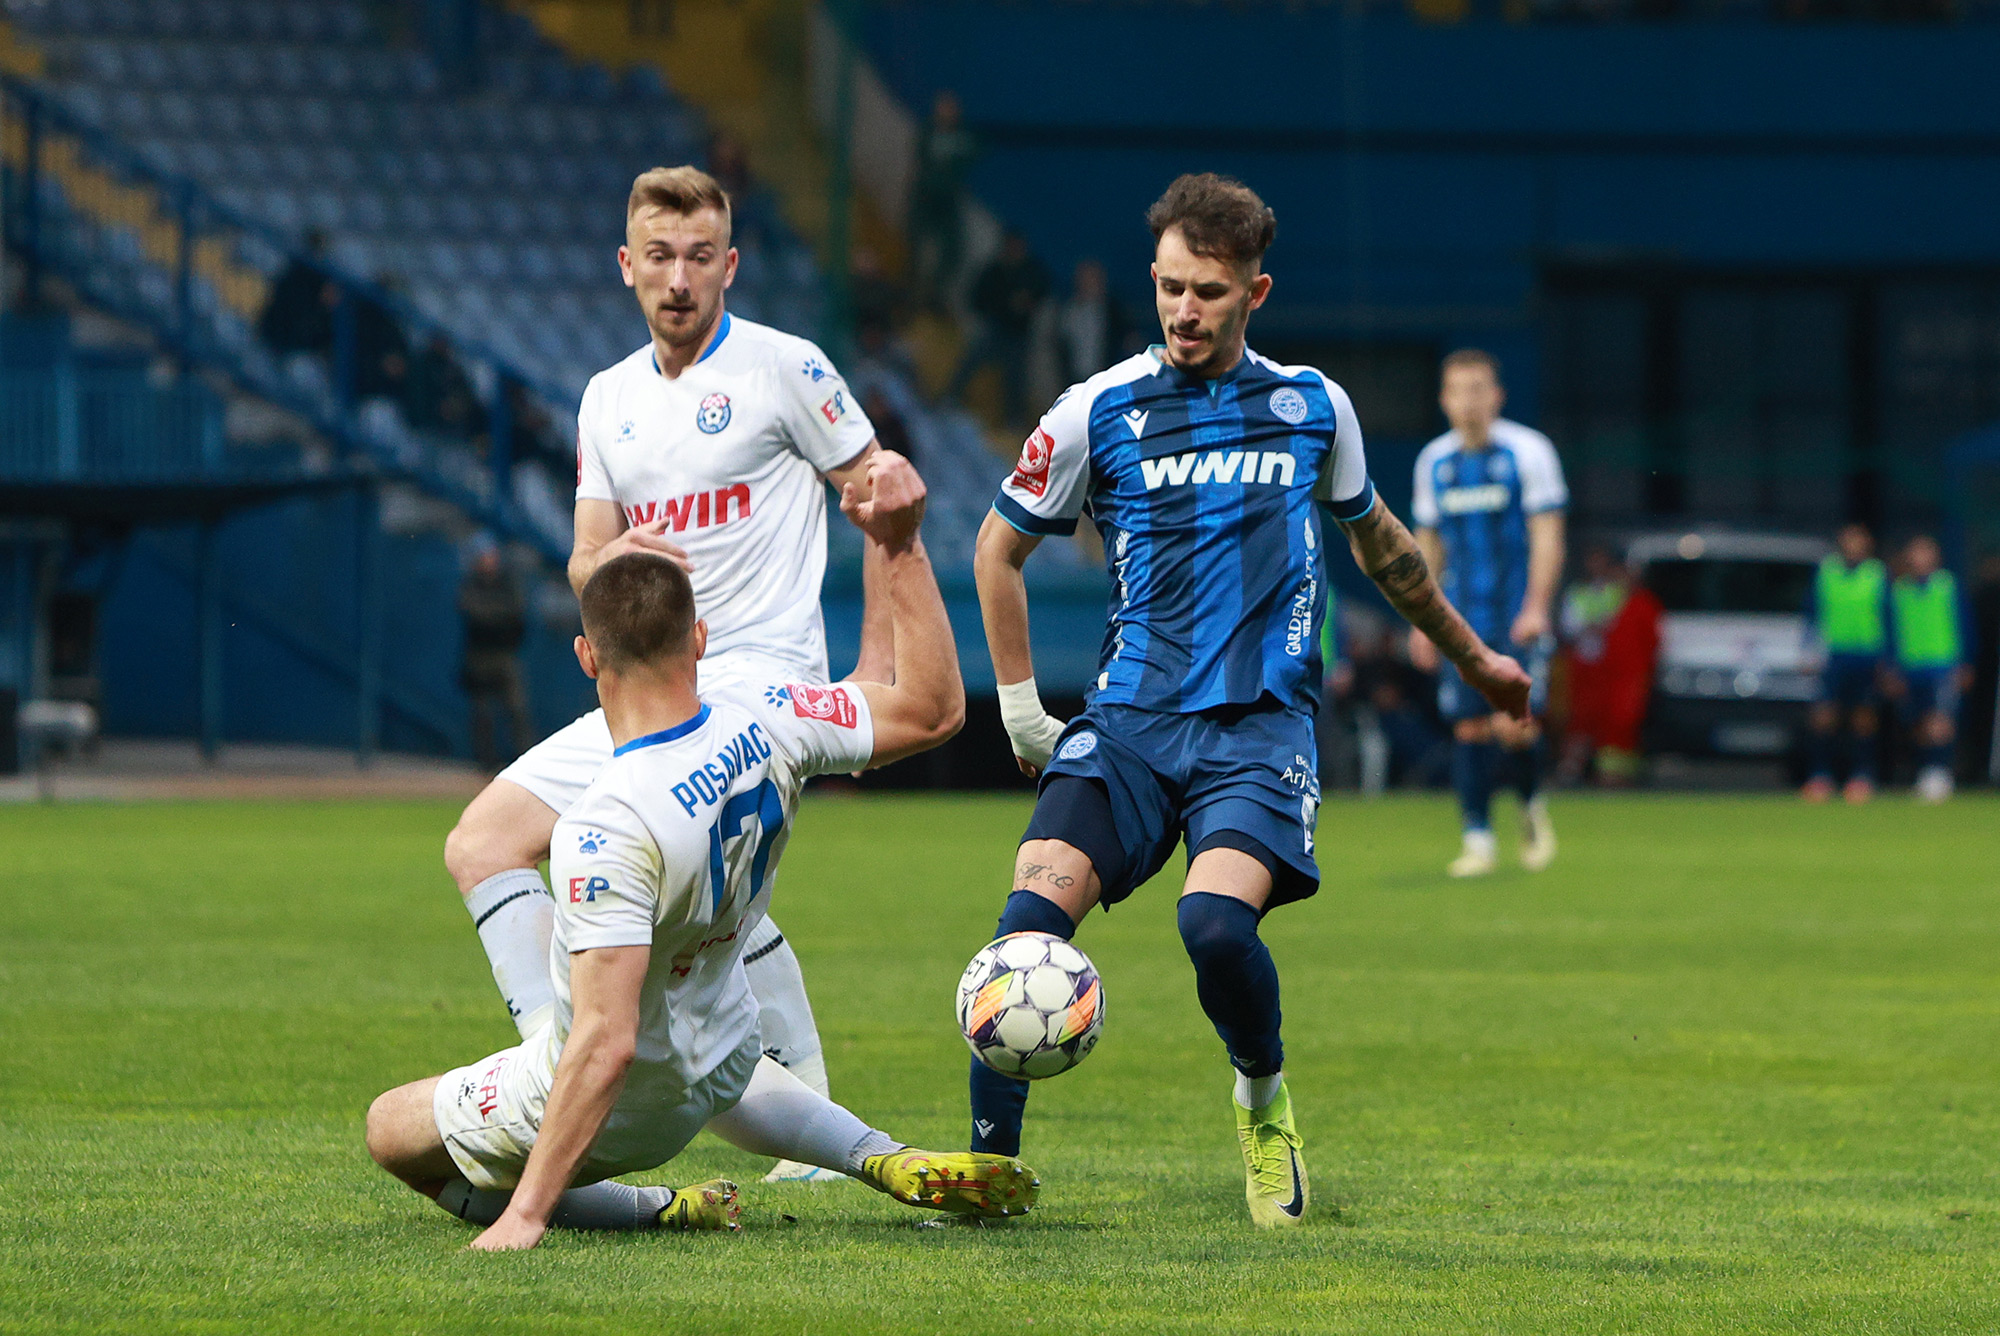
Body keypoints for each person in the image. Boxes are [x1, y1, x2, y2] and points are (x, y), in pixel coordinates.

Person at [972, 173, 1530, 1229]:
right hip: (1127, 726)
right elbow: (994, 553)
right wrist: (1018, 712)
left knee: (1215, 929)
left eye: (1209, 292)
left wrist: (1473, 660)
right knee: (1021, 938)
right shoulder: (1096, 408)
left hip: (1256, 728)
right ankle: (986, 1171)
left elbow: (1387, 552)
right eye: (1170, 286)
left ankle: (1262, 1105)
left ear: (1254, 293)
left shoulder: (1312, 407)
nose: (1183, 310)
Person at [365, 463, 1041, 1249]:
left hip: (625, 1110)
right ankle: (878, 1157)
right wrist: (901, 546)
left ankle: (651, 1205)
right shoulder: (769, 708)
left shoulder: (602, 825)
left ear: (588, 657)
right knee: (690, 1028)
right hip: (727, 1061)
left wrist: (526, 1213)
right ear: (699, 638)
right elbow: (932, 712)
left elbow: (607, 1043)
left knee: (389, 1127)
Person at [439, 166, 897, 1185]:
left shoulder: (787, 370)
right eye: (659, 256)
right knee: (485, 843)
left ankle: (619, 1081)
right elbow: (581, 556)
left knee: (684, 874)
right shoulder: (607, 398)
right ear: (626, 267)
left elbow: (879, 492)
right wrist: (615, 558)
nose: (678, 278)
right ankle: (558, 1052)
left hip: (759, 683)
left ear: (729, 265)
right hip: (656, 681)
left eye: (699, 257)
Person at [1409, 349, 1567, 876]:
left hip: (1516, 612)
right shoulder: (1434, 462)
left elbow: (1548, 535)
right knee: (1470, 729)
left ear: (1497, 396)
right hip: (1462, 618)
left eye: (1480, 388)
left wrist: (1538, 606)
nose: (1469, 400)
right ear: (1443, 400)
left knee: (1514, 726)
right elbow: (1427, 548)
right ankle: (1477, 839)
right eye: (1459, 390)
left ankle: (1529, 805)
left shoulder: (1529, 452)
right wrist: (1422, 623)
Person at [1558, 544, 1662, 787]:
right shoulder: (1581, 593)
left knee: (1619, 723)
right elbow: (1568, 627)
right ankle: (1575, 769)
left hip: (1618, 672)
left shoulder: (1632, 600)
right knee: (1582, 719)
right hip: (1589, 668)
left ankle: (1614, 774)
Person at [1803, 523, 1889, 803]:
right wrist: (1807, 650)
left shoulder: (1876, 574)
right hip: (1834, 654)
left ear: (1867, 544)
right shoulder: (1826, 571)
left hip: (1867, 654)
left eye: (1859, 540)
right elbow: (1812, 612)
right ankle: (1820, 775)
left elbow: (1889, 618)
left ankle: (1862, 775)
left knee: (1863, 719)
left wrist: (1888, 660)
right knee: (1824, 716)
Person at [1887, 534, 1970, 803]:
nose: (1920, 559)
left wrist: (1966, 662)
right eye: (1916, 553)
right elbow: (1892, 631)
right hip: (1911, 665)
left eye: (1926, 553)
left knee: (1941, 722)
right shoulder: (1900, 590)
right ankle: (1925, 770)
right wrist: (1892, 667)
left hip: (1943, 663)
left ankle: (1941, 772)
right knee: (1919, 724)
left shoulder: (1948, 586)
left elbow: (1966, 626)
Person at [947, 231, 1048, 429]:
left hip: (1019, 335)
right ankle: (951, 396)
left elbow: (1042, 291)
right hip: (996, 329)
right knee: (973, 359)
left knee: (1016, 378)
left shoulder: (1031, 272)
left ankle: (1013, 419)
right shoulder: (994, 271)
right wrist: (1002, 306)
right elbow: (977, 298)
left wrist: (1027, 302)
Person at [458, 537, 532, 771]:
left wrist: (495, 615)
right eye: (483, 557)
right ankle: (486, 765)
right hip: (479, 658)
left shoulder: (508, 582)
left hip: (505, 656)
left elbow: (517, 613)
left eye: (490, 555)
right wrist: (498, 616)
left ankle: (525, 762)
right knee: (483, 714)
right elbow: (474, 613)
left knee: (517, 709)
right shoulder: (471, 584)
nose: (488, 561)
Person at [908, 90, 976, 311]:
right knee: (915, 248)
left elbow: (969, 157)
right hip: (926, 199)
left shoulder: (963, 135)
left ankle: (935, 294)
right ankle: (913, 296)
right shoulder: (927, 132)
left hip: (948, 201)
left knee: (953, 251)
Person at [1055, 259, 1127, 387]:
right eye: (1085, 279)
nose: (1089, 284)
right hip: (1073, 378)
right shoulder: (1069, 311)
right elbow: (1060, 344)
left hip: (1105, 377)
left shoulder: (1111, 311)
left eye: (1093, 279)